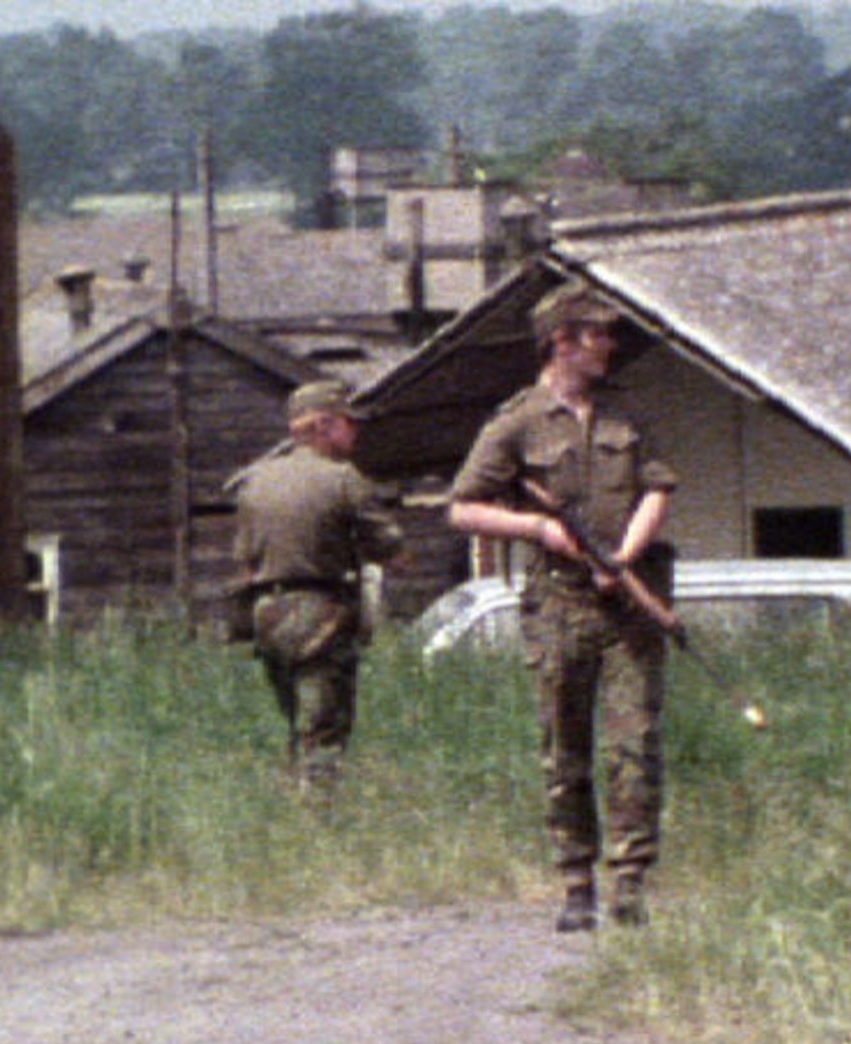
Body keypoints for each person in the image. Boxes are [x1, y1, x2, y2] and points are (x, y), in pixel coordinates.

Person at [448, 281, 679, 932]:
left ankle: (629, 879)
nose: (608, 346)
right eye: (596, 334)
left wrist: (625, 559)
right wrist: (540, 532)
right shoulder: (516, 422)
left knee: (634, 743)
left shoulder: (628, 416)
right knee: (564, 743)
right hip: (558, 600)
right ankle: (576, 880)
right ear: (562, 341)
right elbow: (463, 507)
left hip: (630, 600)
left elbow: (657, 490)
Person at [231, 380, 404, 792]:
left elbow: (245, 560)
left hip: (267, 615)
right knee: (325, 728)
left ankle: (296, 795)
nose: (355, 434)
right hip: (321, 614)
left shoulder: (255, 482)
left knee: (295, 720)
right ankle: (320, 820)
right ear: (325, 426)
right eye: (349, 424)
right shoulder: (344, 479)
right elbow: (389, 547)